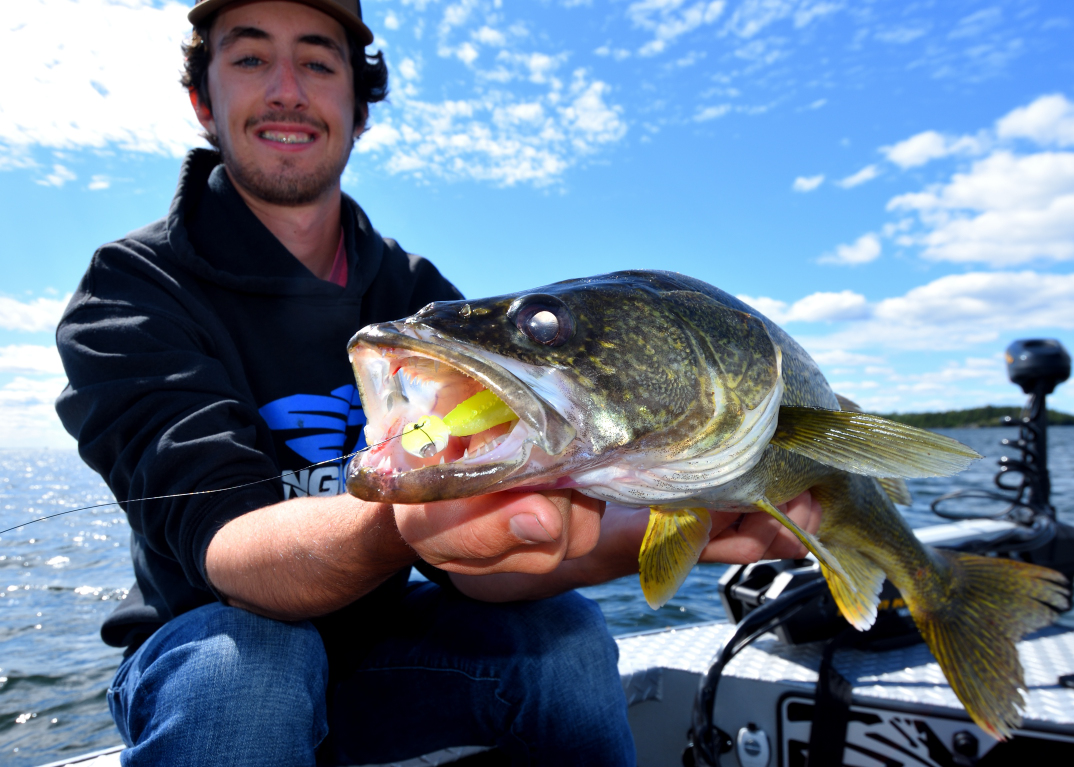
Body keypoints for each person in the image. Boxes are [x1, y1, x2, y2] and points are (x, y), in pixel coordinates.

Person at [55, 1, 823, 764]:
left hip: (392, 648)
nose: (287, 88)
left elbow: (474, 571)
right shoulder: (130, 288)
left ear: (359, 110)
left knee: (569, 639)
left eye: (320, 61)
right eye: (251, 57)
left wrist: (650, 536)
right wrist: (410, 515)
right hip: (211, 648)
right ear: (203, 101)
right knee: (248, 671)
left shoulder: (426, 301)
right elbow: (228, 545)